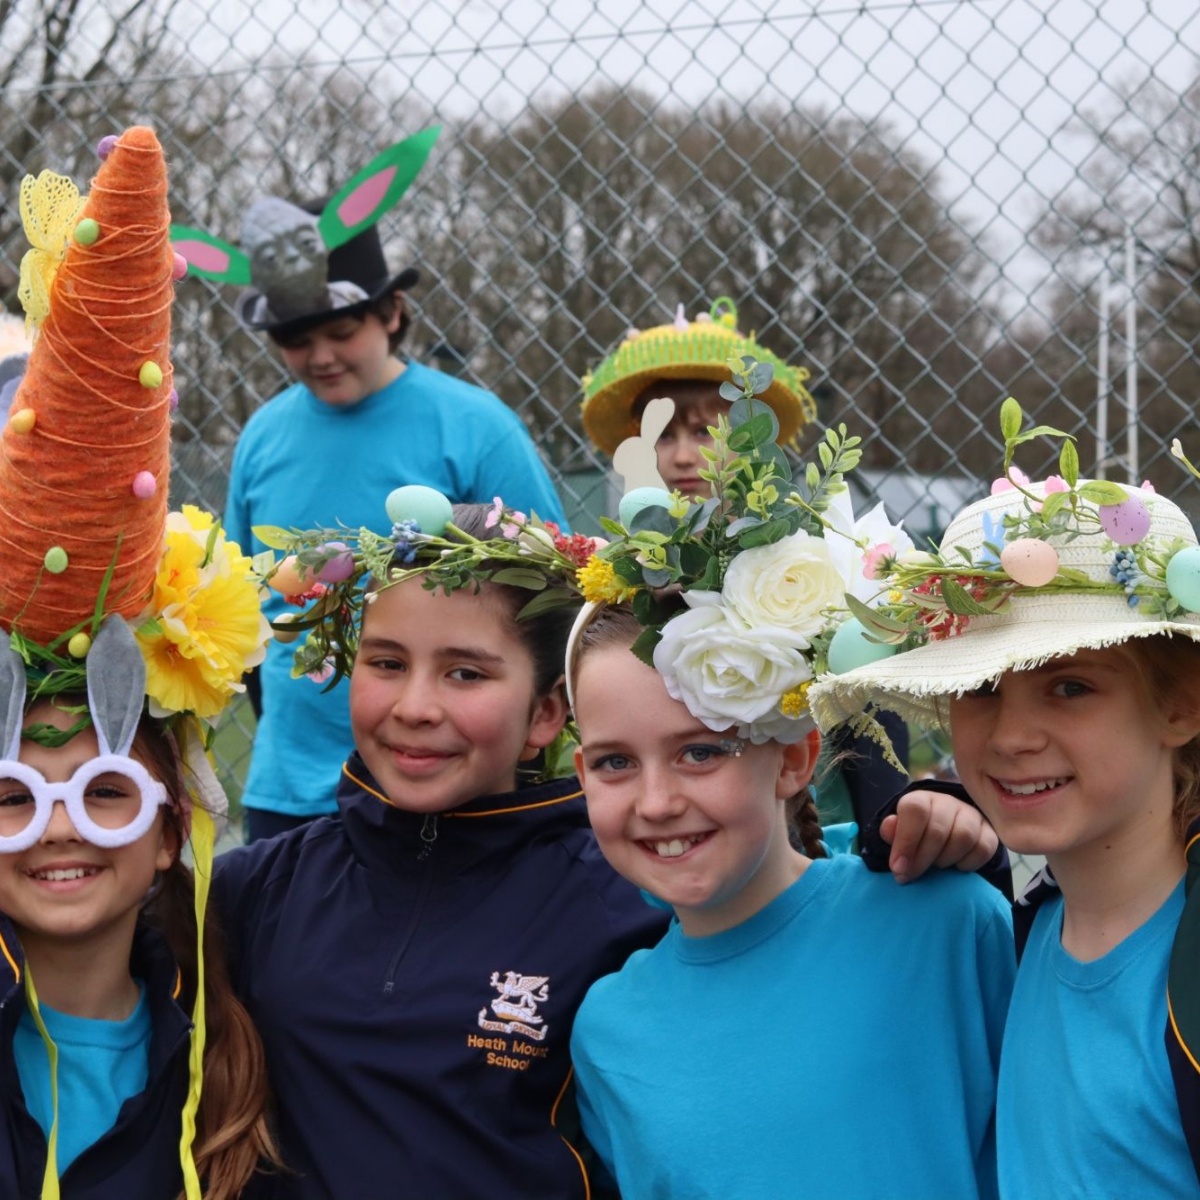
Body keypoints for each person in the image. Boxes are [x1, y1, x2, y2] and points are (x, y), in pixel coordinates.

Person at [563, 394, 1015, 1197]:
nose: (657, 801)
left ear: (794, 757)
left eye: (700, 751)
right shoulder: (606, 1030)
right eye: (614, 764)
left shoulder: (942, 924)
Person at [210, 500, 668, 1199]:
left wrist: (895, 798)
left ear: (546, 713)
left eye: (465, 674)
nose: (416, 706)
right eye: (387, 662)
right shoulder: (256, 889)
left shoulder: (622, 904)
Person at [810, 403, 1200, 1196]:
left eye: (1070, 686)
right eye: (981, 687)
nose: (1012, 735)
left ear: (1180, 707)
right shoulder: (1036, 916)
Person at [0, 127, 276, 1197]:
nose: (60, 825)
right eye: (14, 796)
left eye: (104, 791)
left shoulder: (241, 1063)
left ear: (173, 829)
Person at [174, 131, 569, 840]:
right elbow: (243, 605)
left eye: (343, 329)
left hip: (447, 779)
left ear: (391, 314)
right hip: (293, 790)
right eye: (297, 339)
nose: (320, 356)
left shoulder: (474, 428)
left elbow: (554, 592)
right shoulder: (264, 437)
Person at [581, 298, 919, 838]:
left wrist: (885, 825)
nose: (684, 456)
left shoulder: (806, 555)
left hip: (821, 818)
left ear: (755, 442)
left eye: (707, 434)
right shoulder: (622, 569)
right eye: (664, 436)